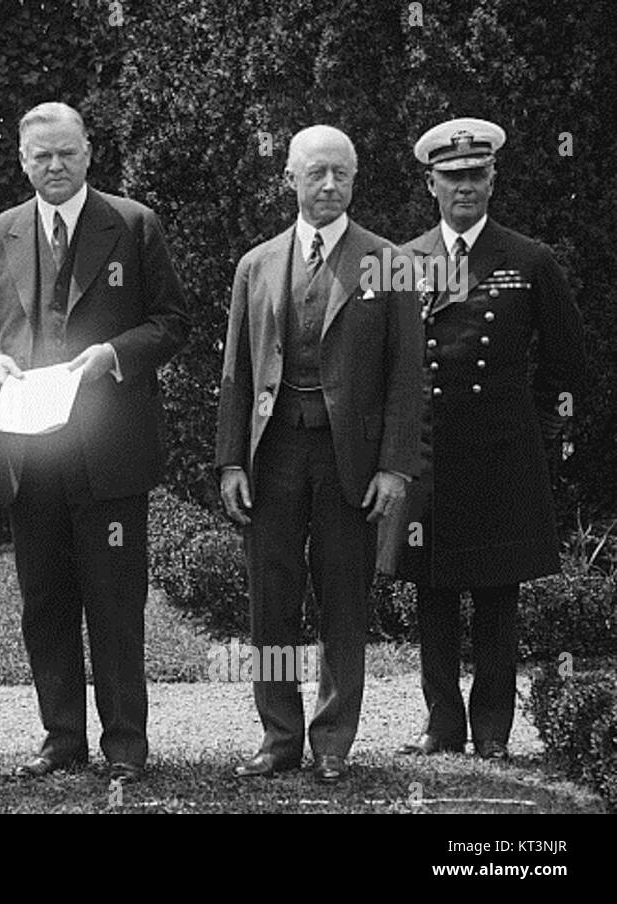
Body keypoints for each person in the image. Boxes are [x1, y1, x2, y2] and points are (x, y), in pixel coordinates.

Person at [0, 102, 188, 784]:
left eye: (66, 153)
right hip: (31, 455)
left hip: (108, 452)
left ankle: (124, 744)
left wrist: (110, 356)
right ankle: (61, 737)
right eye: (40, 156)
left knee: (114, 603)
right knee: (45, 601)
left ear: (89, 153)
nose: (54, 167)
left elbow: (172, 321)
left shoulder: (133, 224)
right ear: (22, 161)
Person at [216, 125, 421, 783]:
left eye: (340, 173)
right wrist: (229, 463)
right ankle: (278, 737)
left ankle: (332, 740)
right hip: (273, 457)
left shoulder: (387, 261)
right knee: (270, 602)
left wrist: (394, 466)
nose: (328, 185)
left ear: (355, 180)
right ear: (291, 180)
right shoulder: (256, 264)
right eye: (316, 173)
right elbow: (236, 377)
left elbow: (406, 377)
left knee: (342, 600)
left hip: (349, 461)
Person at [387, 118, 583, 761]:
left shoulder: (529, 259)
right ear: (431, 185)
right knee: (434, 593)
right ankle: (442, 724)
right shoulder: (401, 262)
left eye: (476, 176)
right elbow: (384, 364)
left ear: (493, 179)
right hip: (429, 453)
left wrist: (540, 433)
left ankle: (493, 730)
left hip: (501, 453)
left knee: (499, 595)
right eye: (452, 178)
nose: (464, 188)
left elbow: (565, 363)